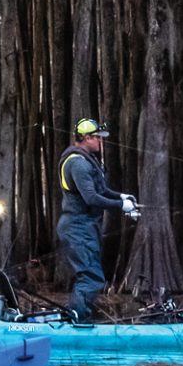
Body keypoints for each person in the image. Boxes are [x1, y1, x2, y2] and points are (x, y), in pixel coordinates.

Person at [56, 118, 137, 321]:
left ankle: (77, 316)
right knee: (91, 278)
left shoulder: (85, 162)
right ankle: (77, 320)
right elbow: (90, 197)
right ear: (86, 138)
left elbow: (101, 190)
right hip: (77, 227)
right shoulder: (77, 164)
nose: (101, 142)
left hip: (85, 227)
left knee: (90, 276)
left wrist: (120, 197)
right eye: (98, 138)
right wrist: (120, 207)